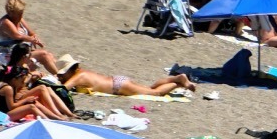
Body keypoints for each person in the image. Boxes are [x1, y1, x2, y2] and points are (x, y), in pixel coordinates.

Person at [56, 58, 194, 98]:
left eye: (62, 74)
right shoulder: (82, 72)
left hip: (118, 87)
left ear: (69, 71)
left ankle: (178, 83)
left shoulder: (78, 77)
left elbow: (62, 90)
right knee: (150, 88)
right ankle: (177, 79)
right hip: (118, 81)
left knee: (156, 93)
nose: (61, 77)